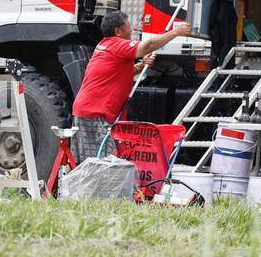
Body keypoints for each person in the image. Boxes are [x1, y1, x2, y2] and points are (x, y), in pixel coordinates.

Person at [70, 11, 190, 163]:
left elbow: (115, 73)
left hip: (90, 111)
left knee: (95, 163)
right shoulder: (117, 45)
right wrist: (176, 32)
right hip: (96, 113)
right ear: (118, 31)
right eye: (128, 26)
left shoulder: (106, 45)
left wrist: (140, 66)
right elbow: (149, 45)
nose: (132, 30)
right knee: (101, 165)